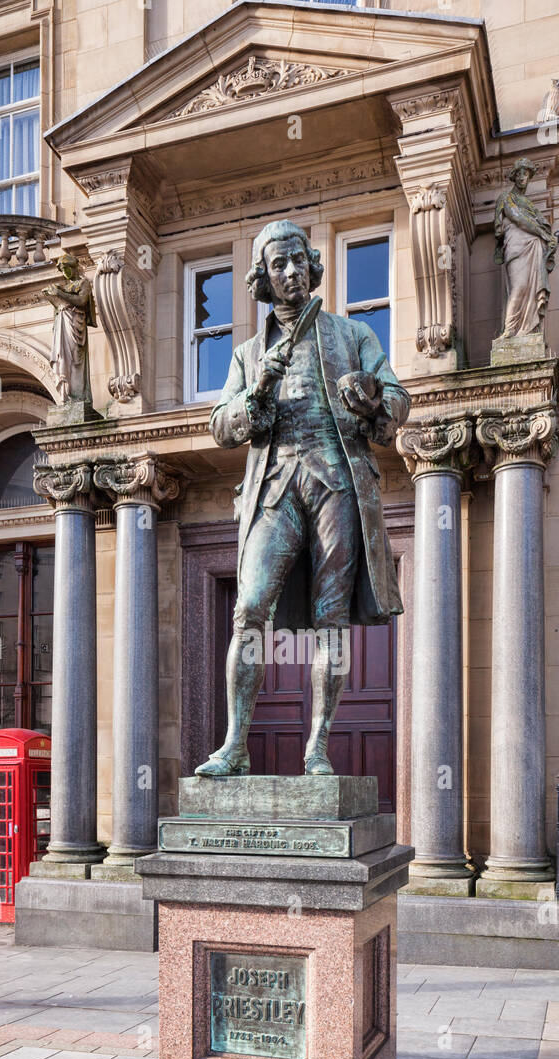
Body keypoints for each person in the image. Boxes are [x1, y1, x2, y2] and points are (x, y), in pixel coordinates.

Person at [195, 218, 410, 777]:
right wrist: (258, 388)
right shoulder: (247, 353)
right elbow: (221, 425)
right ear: (263, 279)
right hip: (274, 486)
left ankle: (317, 748)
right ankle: (235, 745)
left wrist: (368, 398)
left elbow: (396, 398)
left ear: (313, 266)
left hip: (336, 479)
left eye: (297, 261)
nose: (291, 272)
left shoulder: (353, 335)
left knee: (330, 619)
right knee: (248, 608)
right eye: (277, 265)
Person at [494, 158, 559, 338]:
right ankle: (510, 330)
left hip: (533, 247)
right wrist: (544, 234)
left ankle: (528, 329)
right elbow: (518, 218)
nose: (523, 177)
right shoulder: (506, 198)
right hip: (516, 247)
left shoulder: (530, 205)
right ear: (514, 177)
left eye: (526, 174)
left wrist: (548, 239)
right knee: (519, 286)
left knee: (530, 289)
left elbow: (541, 223)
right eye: (520, 174)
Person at [43, 252, 96, 404]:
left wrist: (59, 293)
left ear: (73, 268)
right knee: (64, 358)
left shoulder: (83, 283)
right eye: (61, 270)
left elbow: (80, 300)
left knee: (76, 358)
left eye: (66, 269)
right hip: (63, 322)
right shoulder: (64, 287)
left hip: (75, 324)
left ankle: (78, 395)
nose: (64, 273)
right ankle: (66, 394)